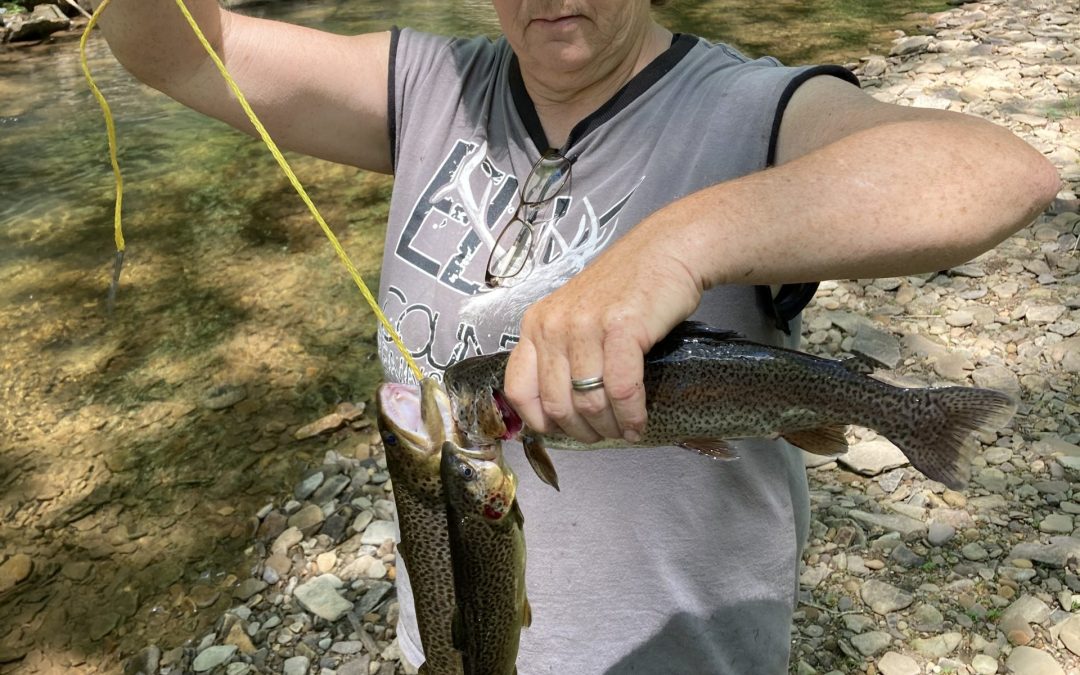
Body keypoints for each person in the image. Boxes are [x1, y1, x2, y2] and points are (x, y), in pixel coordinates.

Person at [96, 1, 1059, 672]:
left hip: (683, 656)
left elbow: (997, 173)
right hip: (461, 627)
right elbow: (170, 49)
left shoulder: (748, 109)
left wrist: (678, 244)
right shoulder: (428, 85)